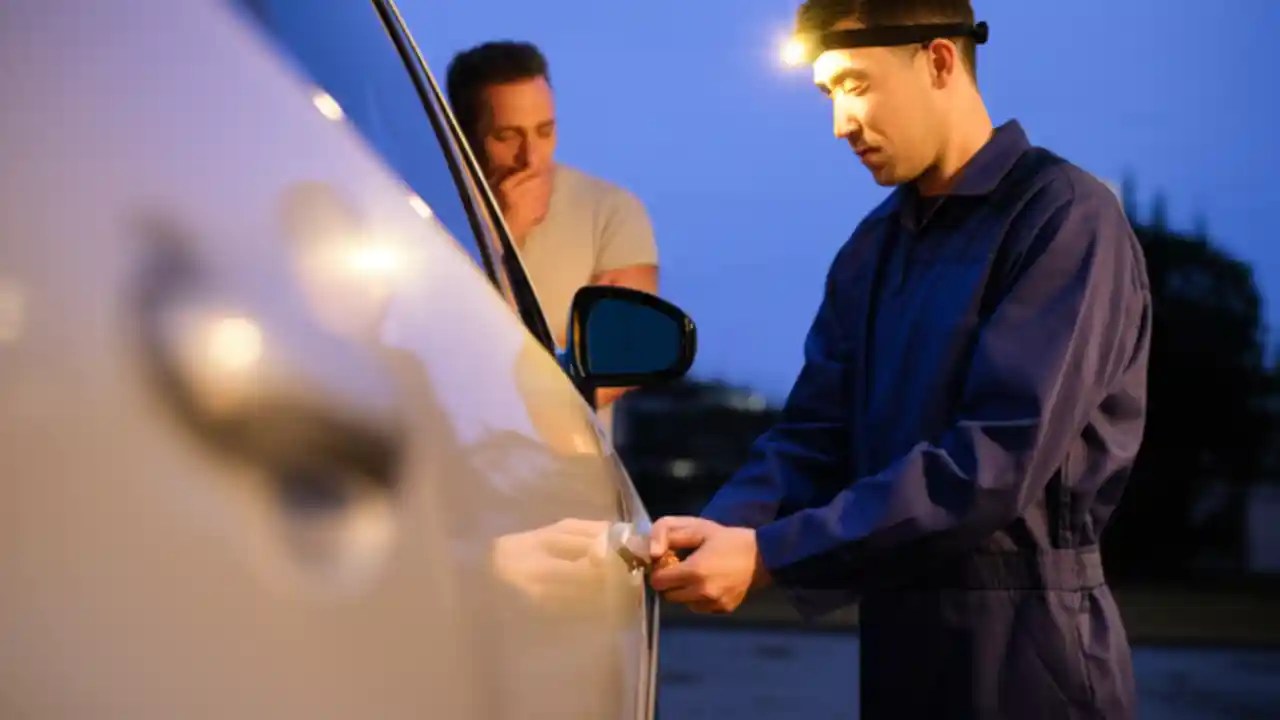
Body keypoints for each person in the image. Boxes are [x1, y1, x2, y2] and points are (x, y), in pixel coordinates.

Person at [647, 1, 1152, 717]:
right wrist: (723, 529)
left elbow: (992, 463)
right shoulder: (874, 246)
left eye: (856, 84)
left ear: (939, 59)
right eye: (828, 93)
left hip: (1030, 650)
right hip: (899, 641)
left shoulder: (1064, 215)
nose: (840, 123)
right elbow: (814, 433)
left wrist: (771, 555)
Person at [445, 41, 659, 371]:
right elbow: (433, 330)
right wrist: (505, 233)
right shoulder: (424, 205)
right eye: (507, 136)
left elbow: (623, 357)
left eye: (545, 132)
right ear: (463, 134)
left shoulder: (610, 211)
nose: (531, 158)